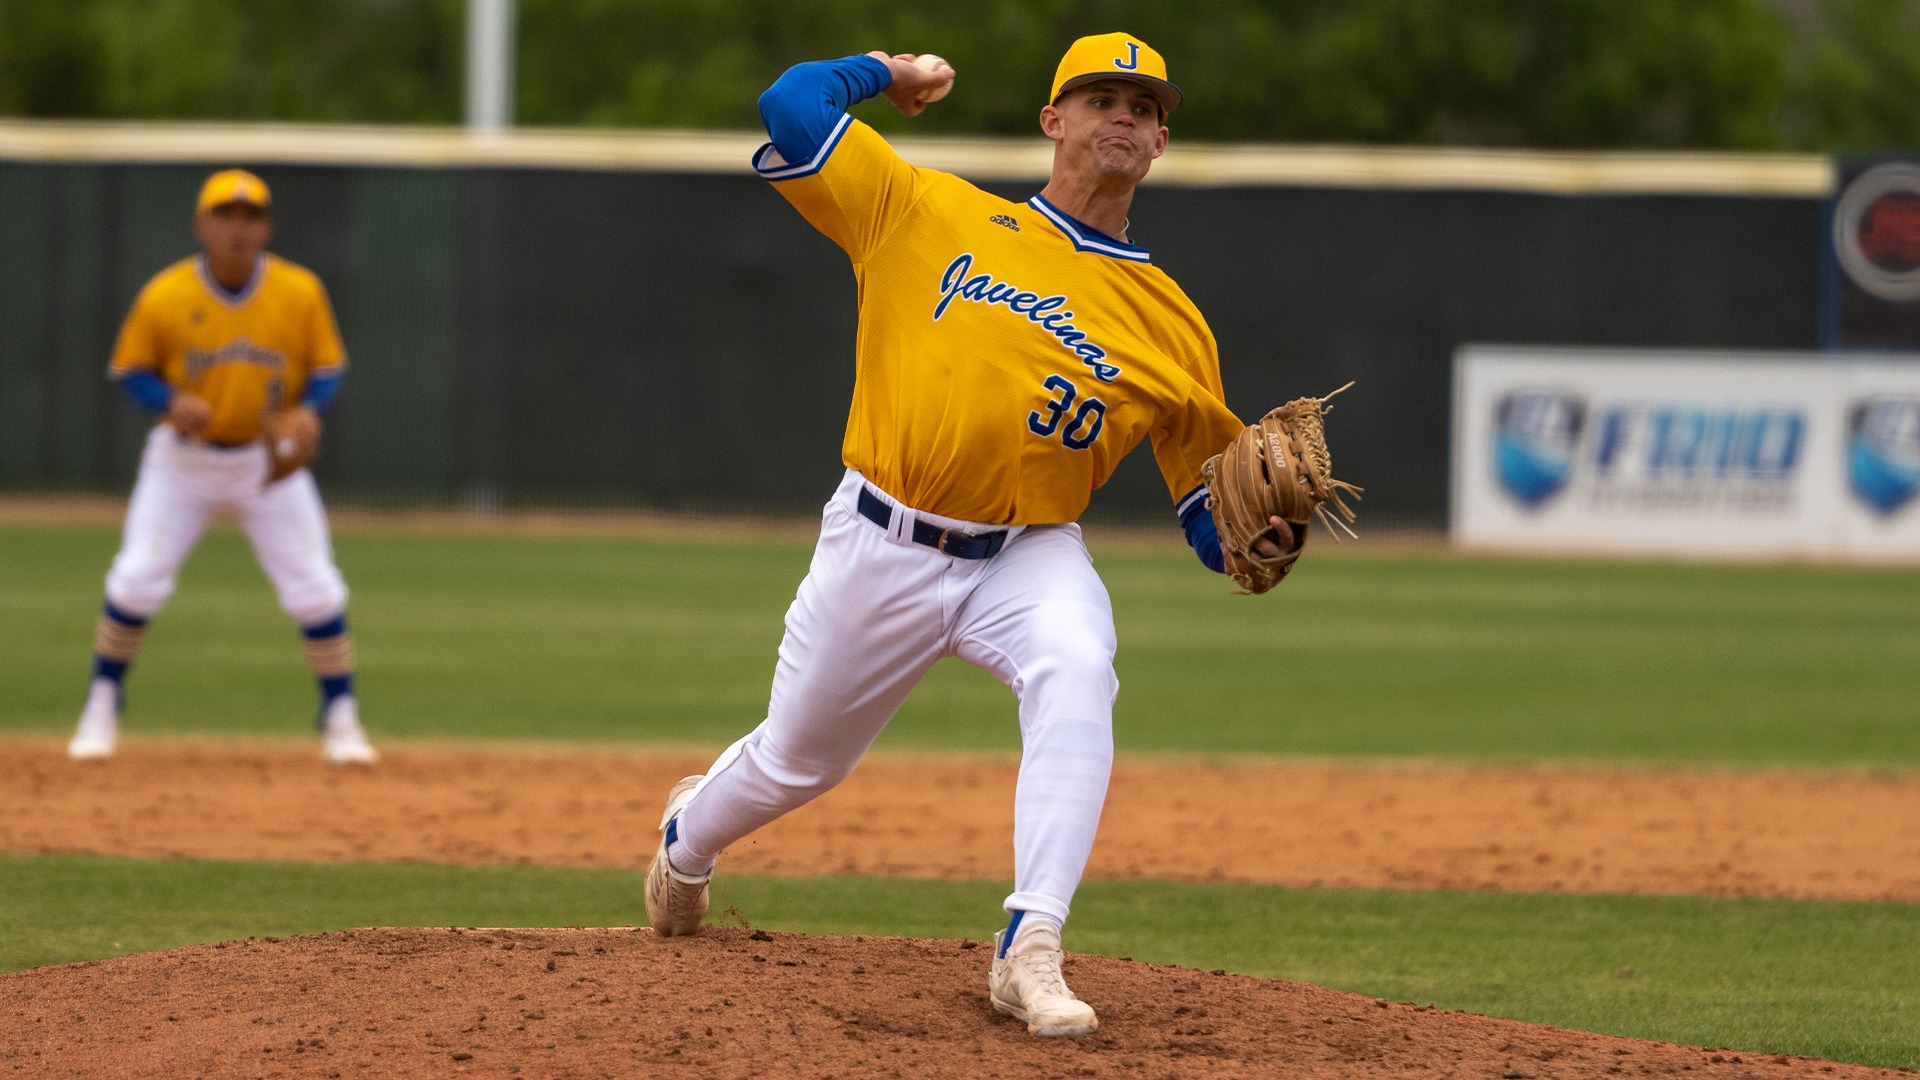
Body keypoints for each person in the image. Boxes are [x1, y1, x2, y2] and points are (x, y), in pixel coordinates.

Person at [644, 34, 1295, 1036]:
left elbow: (1210, 521)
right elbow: (788, 102)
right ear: (1054, 121)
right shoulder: (924, 207)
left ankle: (1029, 947)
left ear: (1163, 140)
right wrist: (883, 73)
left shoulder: (1172, 323)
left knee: (1079, 667)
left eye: (1145, 106)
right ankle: (688, 840)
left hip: (1029, 553)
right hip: (880, 538)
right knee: (798, 762)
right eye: (1100, 97)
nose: (1124, 116)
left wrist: (1267, 538)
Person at [66, 168, 377, 767]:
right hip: (183, 462)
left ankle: (341, 718)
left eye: (250, 216)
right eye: (225, 215)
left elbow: (328, 367)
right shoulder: (166, 296)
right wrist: (167, 403)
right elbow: (128, 370)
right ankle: (102, 703)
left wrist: (311, 411)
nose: (238, 228)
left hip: (269, 462)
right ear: (201, 224)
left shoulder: (299, 291)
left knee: (315, 588)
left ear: (267, 227)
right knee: (136, 578)